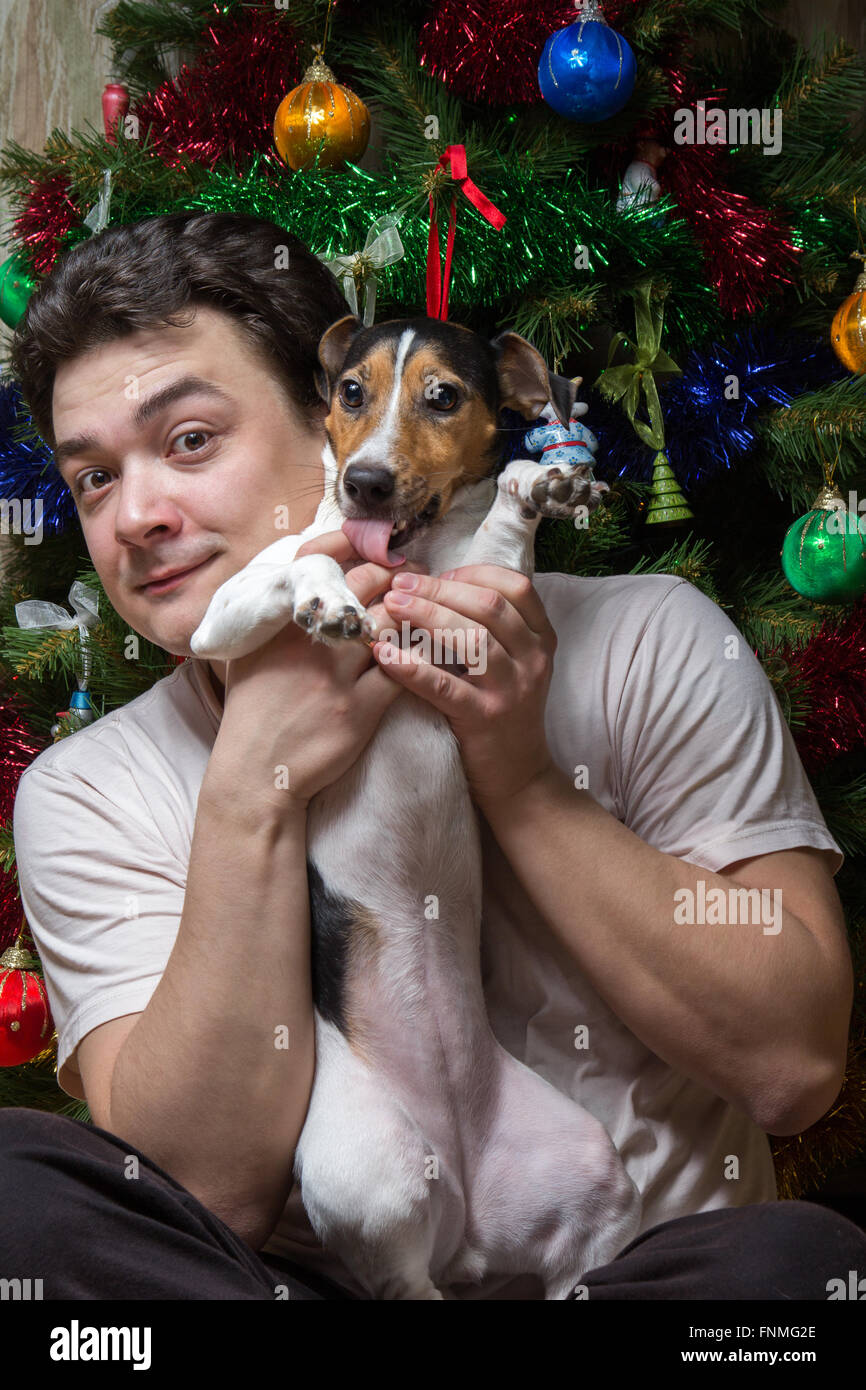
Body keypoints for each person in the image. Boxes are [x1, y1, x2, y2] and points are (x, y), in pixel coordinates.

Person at [2, 210, 863, 1301]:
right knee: (15, 1191)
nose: (137, 517)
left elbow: (791, 1066)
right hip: (326, 1293)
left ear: (330, 422)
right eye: (91, 479)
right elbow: (199, 1201)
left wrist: (522, 776)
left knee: (800, 1269)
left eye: (189, 441)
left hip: (640, 1278)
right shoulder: (86, 791)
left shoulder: (650, 638)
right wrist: (247, 796)